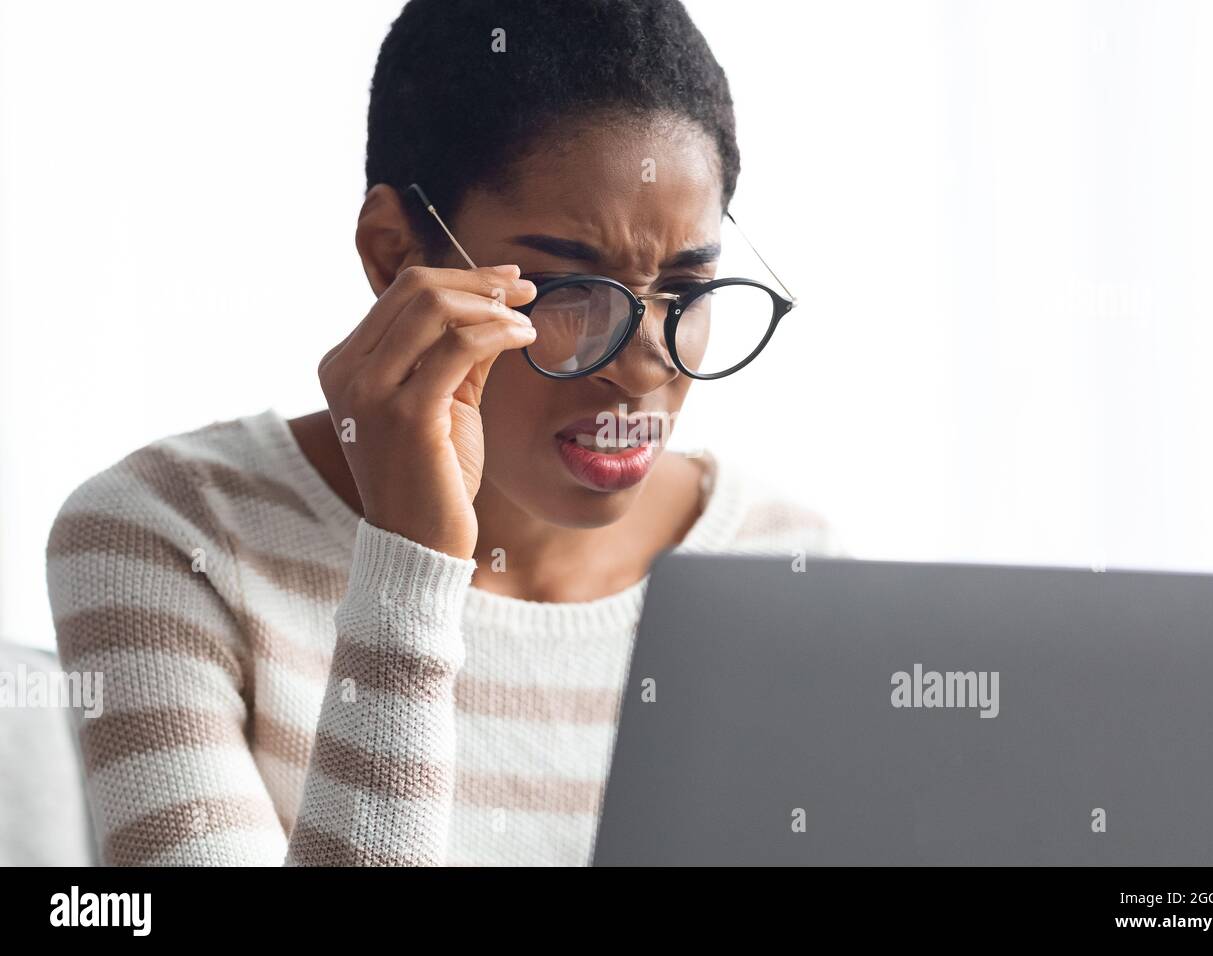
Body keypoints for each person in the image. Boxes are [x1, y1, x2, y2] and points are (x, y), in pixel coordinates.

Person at [45, 0, 839, 866]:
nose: (647, 369)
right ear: (396, 257)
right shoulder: (174, 535)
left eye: (687, 291)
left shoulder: (785, 562)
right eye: (570, 288)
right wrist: (409, 566)